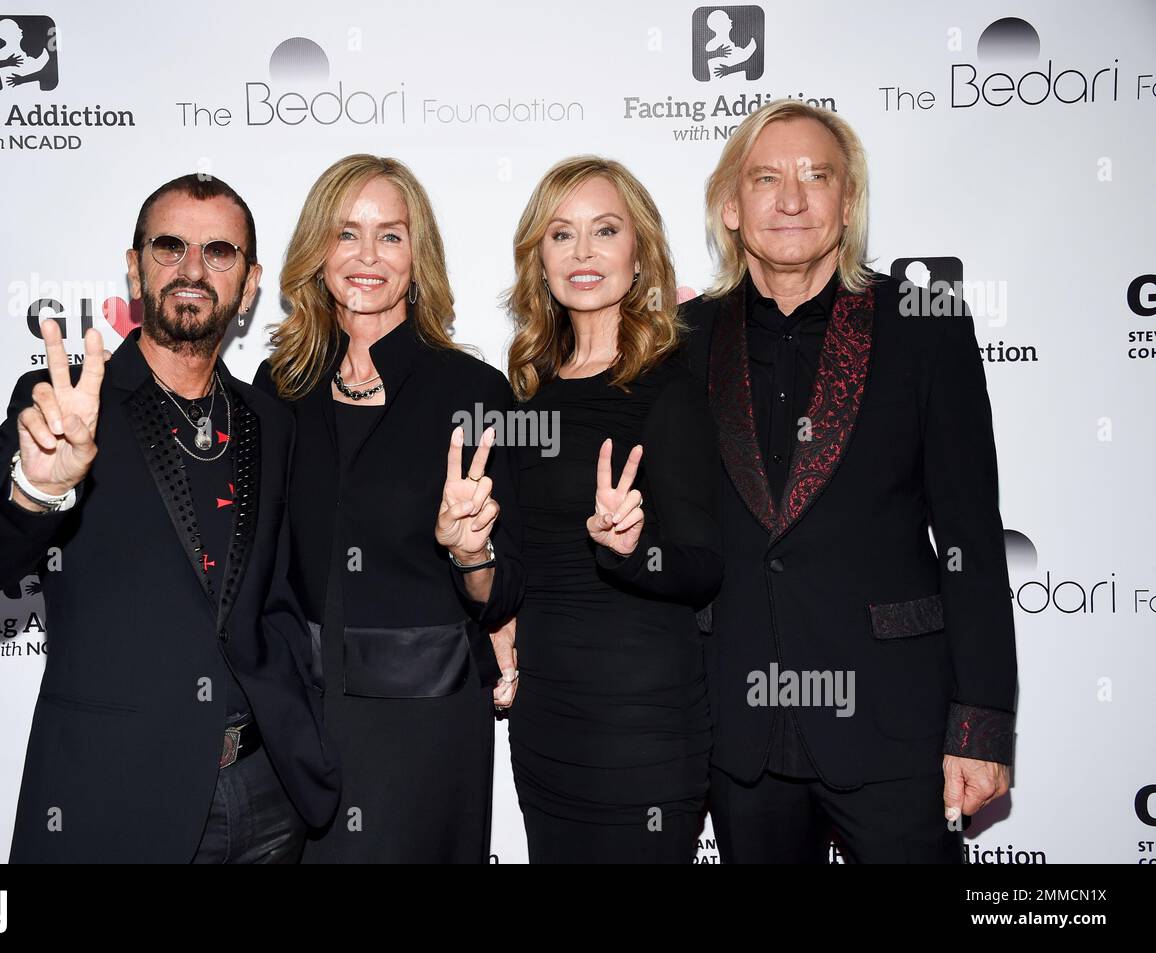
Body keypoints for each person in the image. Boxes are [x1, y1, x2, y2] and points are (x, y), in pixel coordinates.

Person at [0, 174, 337, 862]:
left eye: (219, 252)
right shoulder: (64, 405)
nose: (192, 270)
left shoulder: (271, 419)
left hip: (268, 794)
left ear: (250, 279)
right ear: (134, 264)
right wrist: (36, 485)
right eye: (170, 246)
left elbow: (280, 593)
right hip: (117, 791)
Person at [679, 99, 1018, 863]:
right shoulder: (685, 341)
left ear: (848, 200)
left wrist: (982, 724)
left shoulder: (924, 324)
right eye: (765, 178)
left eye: (816, 176)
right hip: (741, 731)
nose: (792, 198)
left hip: (895, 723)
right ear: (730, 207)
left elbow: (970, 535)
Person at [254, 154, 524, 863]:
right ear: (318, 250)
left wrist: (471, 551)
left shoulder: (471, 390)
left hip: (424, 730)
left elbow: (503, 588)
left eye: (391, 236)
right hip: (301, 721)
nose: (367, 256)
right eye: (347, 234)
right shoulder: (280, 387)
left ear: (418, 256)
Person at [499, 156, 723, 863]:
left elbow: (702, 565)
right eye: (561, 234)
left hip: (641, 731)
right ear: (540, 258)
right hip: (545, 722)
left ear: (640, 254)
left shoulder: (668, 386)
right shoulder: (526, 390)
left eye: (604, 230)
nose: (584, 252)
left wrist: (630, 548)